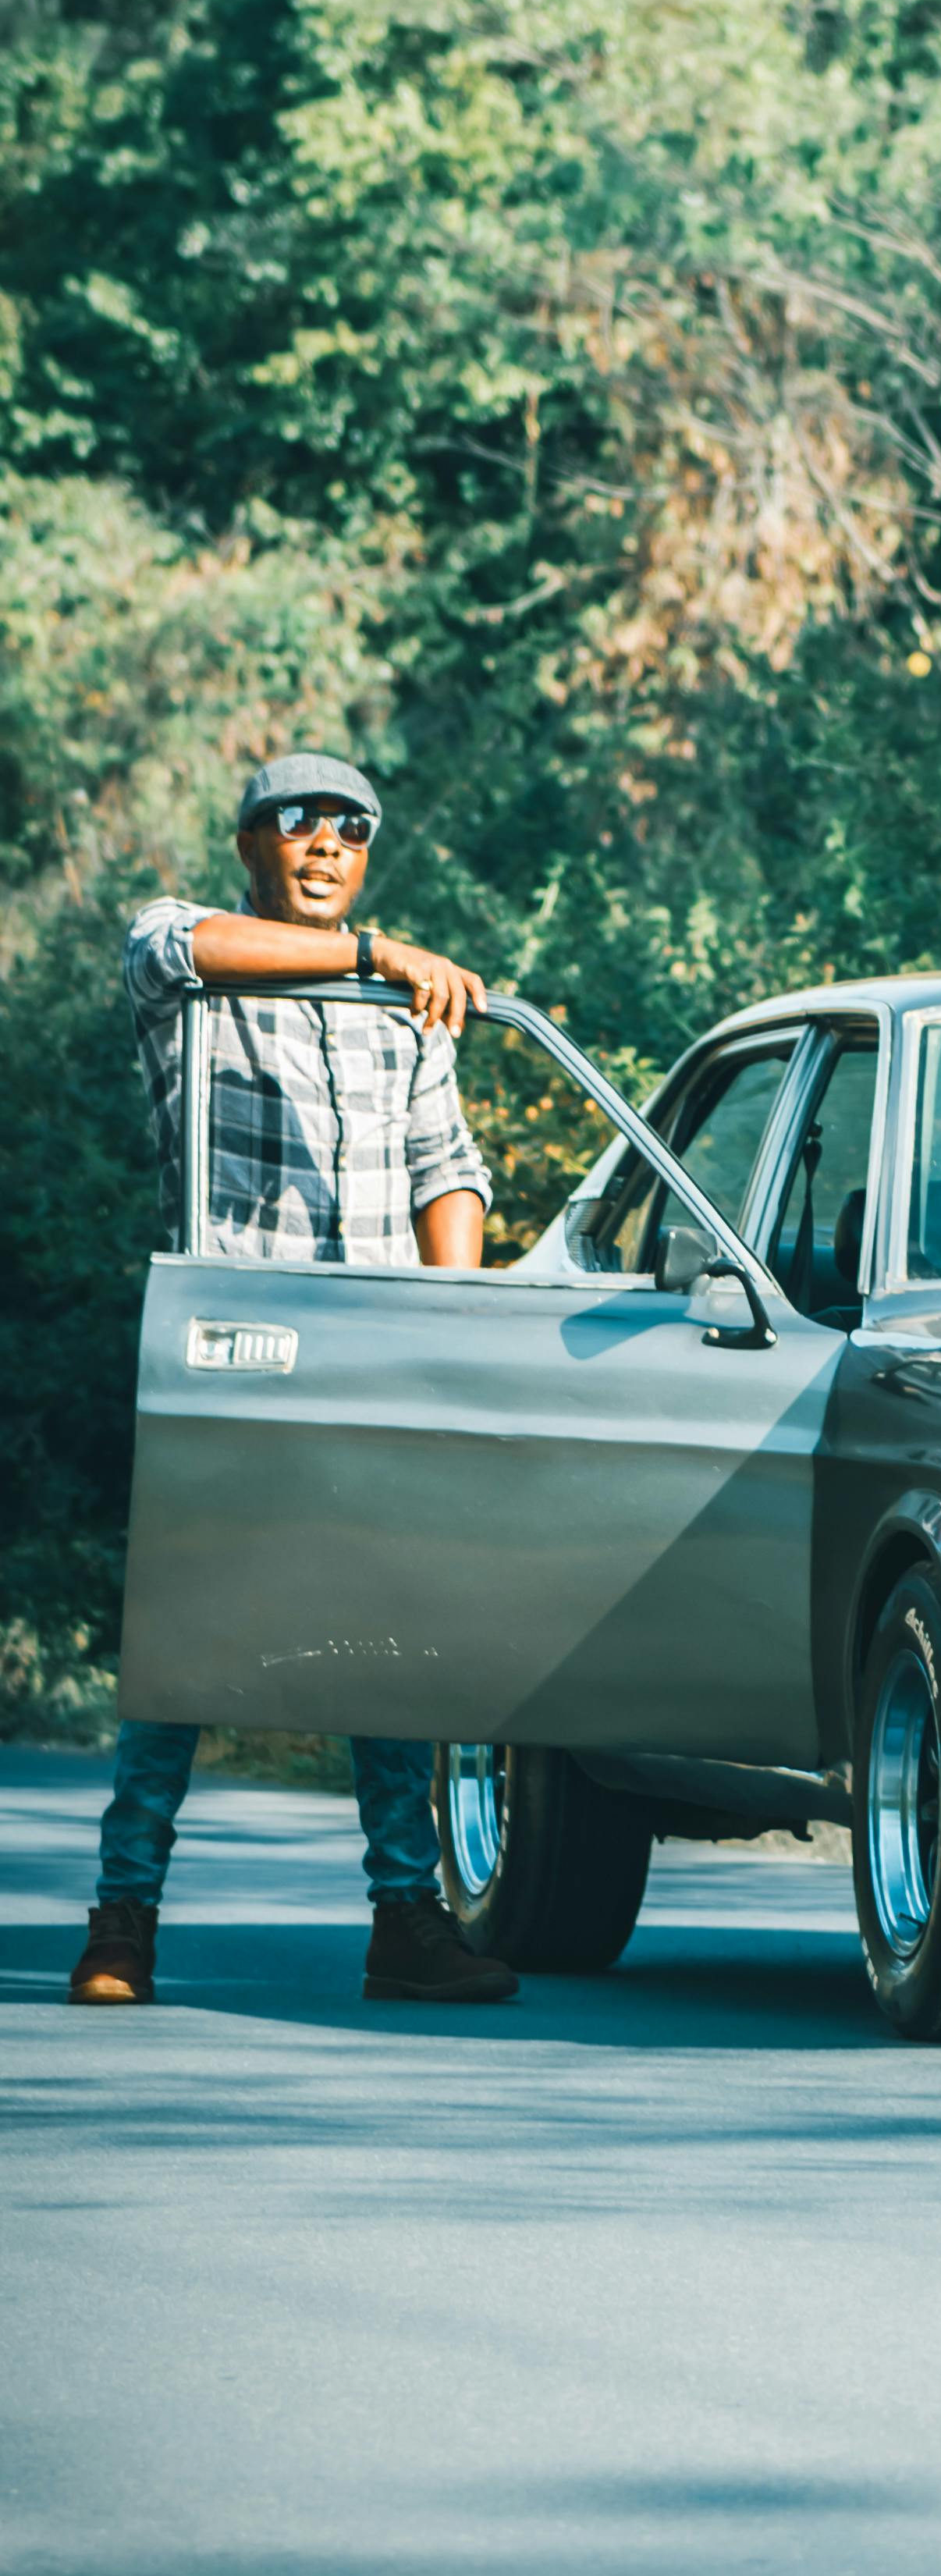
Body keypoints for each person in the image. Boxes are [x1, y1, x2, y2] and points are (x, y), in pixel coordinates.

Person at [68, 754, 521, 2011]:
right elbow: (186, 949)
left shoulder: (405, 1015)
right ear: (250, 840)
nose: (325, 844)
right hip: (235, 1346)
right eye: (299, 822)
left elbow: (449, 1169)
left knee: (393, 1635)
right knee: (186, 1637)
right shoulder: (187, 958)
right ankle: (123, 1917)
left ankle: (406, 1918)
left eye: (352, 830)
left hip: (381, 1351)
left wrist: (456, 1327)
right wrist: (380, 954)